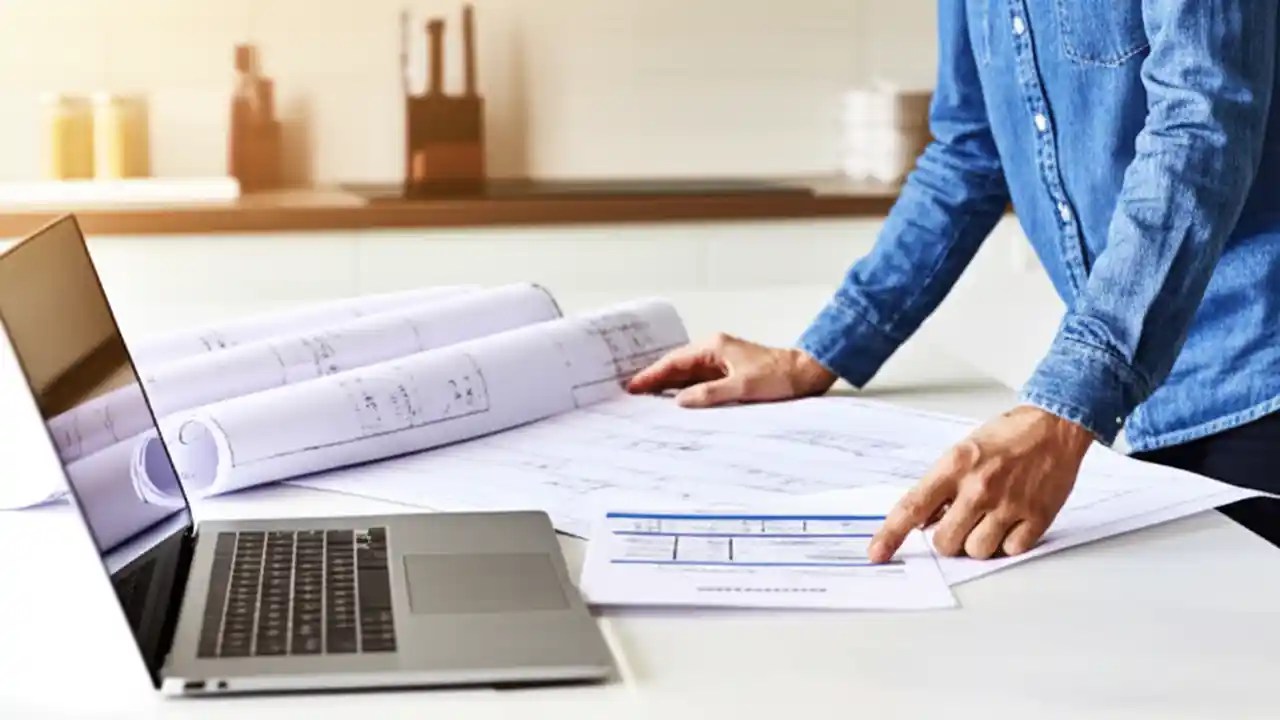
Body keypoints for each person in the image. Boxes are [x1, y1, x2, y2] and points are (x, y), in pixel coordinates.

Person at [628, 1, 1280, 563]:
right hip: (1143, 391)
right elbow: (968, 150)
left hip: (1258, 369)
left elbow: (1202, 126)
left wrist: (1064, 407)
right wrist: (818, 353)